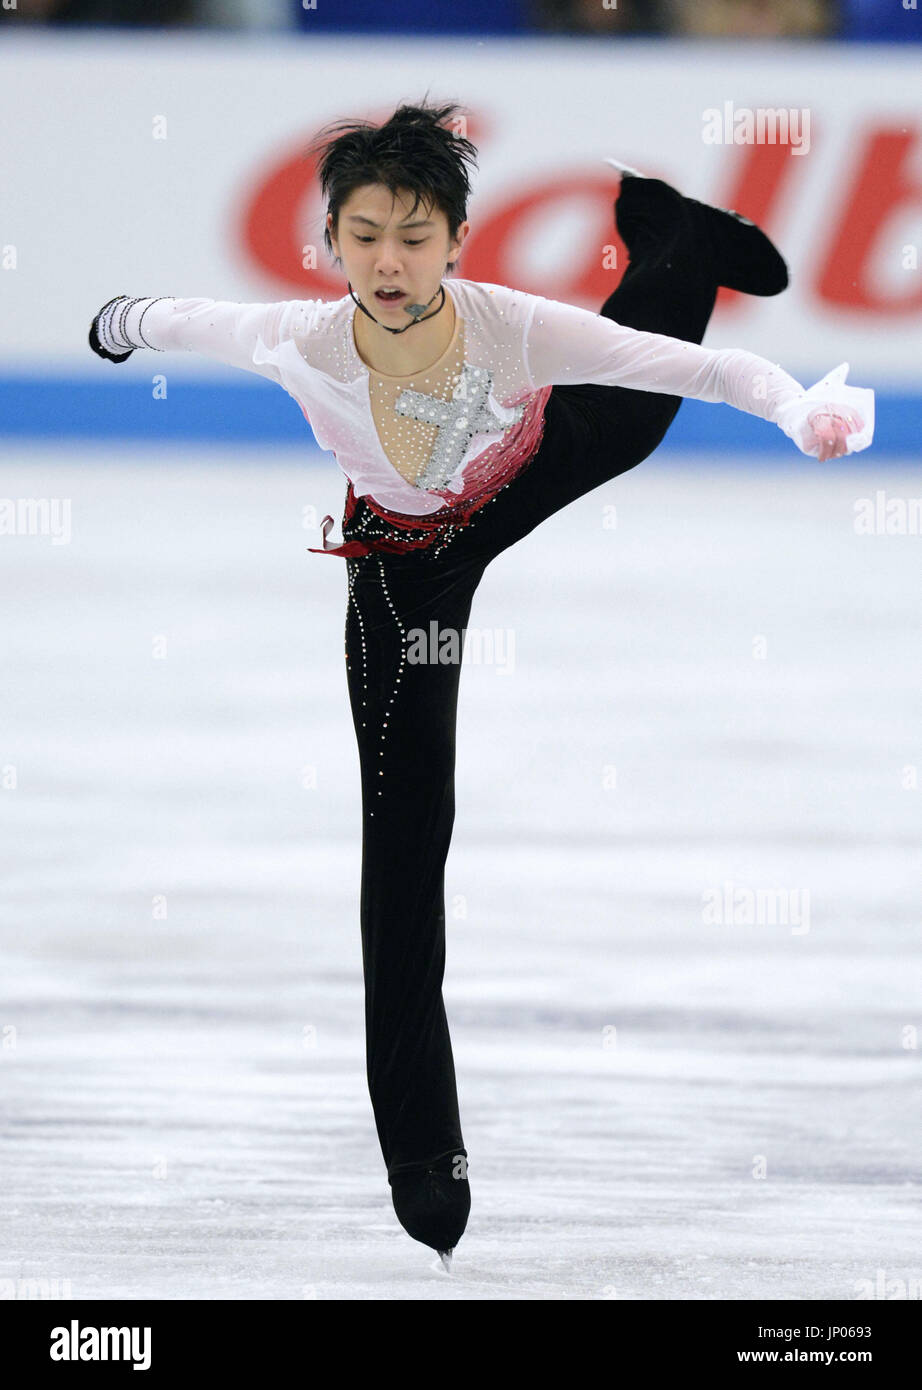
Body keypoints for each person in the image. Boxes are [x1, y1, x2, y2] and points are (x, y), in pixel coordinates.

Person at [88, 99, 874, 1270]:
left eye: (413, 236)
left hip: (512, 476)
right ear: (331, 239)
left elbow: (706, 368)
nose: (388, 262)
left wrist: (799, 404)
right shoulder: (292, 338)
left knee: (624, 420)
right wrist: (115, 325)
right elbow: (171, 316)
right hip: (404, 579)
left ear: (455, 240)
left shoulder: (511, 325)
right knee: (405, 838)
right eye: (363, 235)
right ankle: (424, 1154)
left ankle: (674, 244)